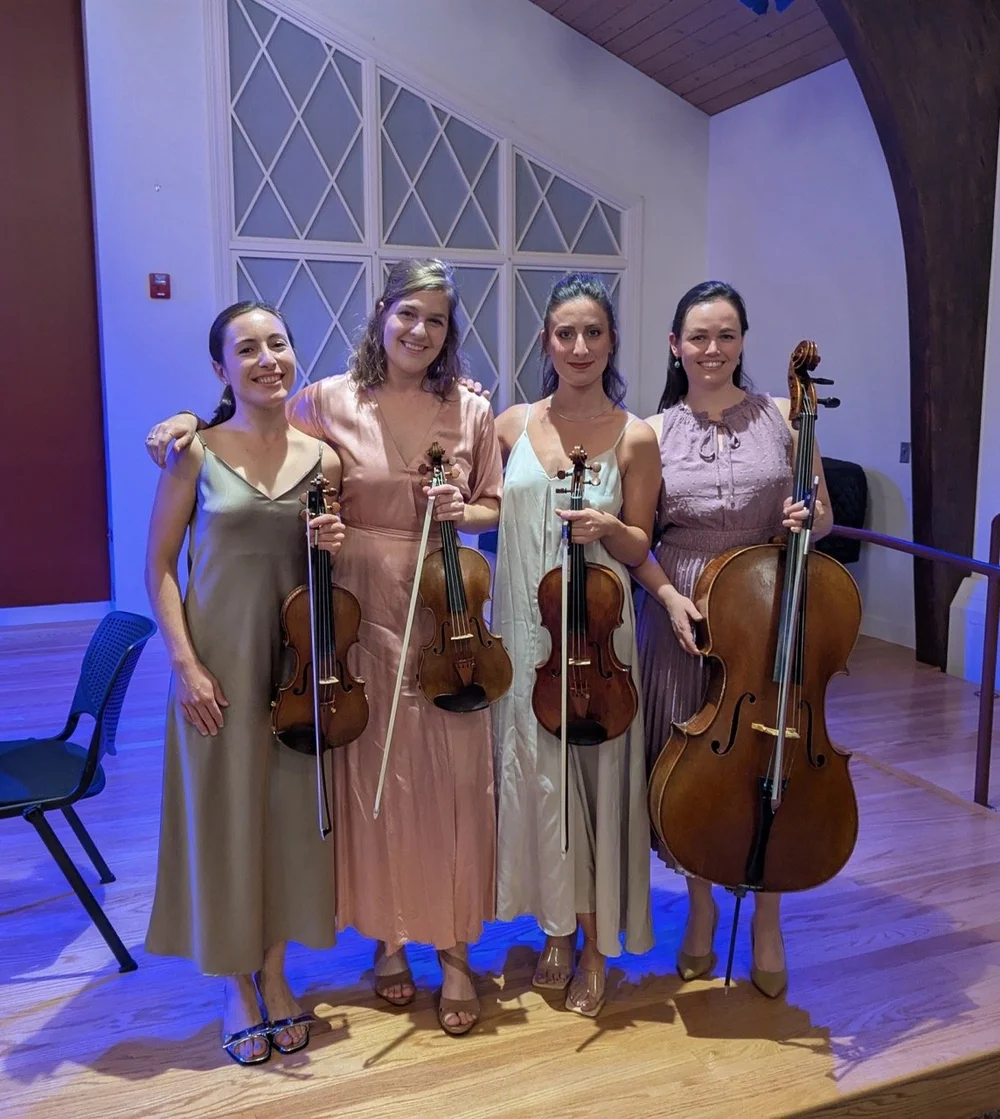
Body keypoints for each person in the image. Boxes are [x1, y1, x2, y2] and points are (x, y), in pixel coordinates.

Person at [145, 259, 502, 1036]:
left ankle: (443, 949)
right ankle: (368, 945)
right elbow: (243, 423)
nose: (419, 330)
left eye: (436, 319)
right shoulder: (324, 403)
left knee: (434, 783)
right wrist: (182, 418)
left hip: (415, 615)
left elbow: (489, 505)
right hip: (326, 622)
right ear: (381, 314)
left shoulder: (458, 411)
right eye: (407, 313)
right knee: (350, 785)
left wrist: (456, 509)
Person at [144, 301, 344, 1065]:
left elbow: (323, 573)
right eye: (248, 348)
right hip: (217, 664)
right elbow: (160, 565)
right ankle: (234, 982)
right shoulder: (192, 451)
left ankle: (276, 970)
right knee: (225, 817)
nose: (268, 359)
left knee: (289, 818)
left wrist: (333, 542)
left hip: (295, 665)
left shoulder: (324, 461)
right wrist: (185, 665)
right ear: (221, 368)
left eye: (278, 344)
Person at [632, 280, 833, 999]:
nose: (712, 349)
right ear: (675, 345)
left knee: (769, 759)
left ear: (743, 340)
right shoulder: (652, 431)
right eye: (698, 336)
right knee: (692, 760)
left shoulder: (785, 416)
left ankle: (768, 918)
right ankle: (701, 903)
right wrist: (669, 599)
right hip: (685, 607)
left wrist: (807, 519)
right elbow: (638, 538)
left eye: (726, 335)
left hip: (770, 602)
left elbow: (823, 514)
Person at [491, 273, 661, 1017]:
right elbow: (484, 508)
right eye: (566, 333)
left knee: (595, 779)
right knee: (539, 780)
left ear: (612, 341)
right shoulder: (510, 425)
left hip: (596, 634)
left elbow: (641, 544)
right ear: (546, 342)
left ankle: (595, 945)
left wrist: (610, 528)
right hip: (528, 632)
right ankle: (555, 928)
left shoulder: (637, 435)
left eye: (594, 332)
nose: (580, 346)